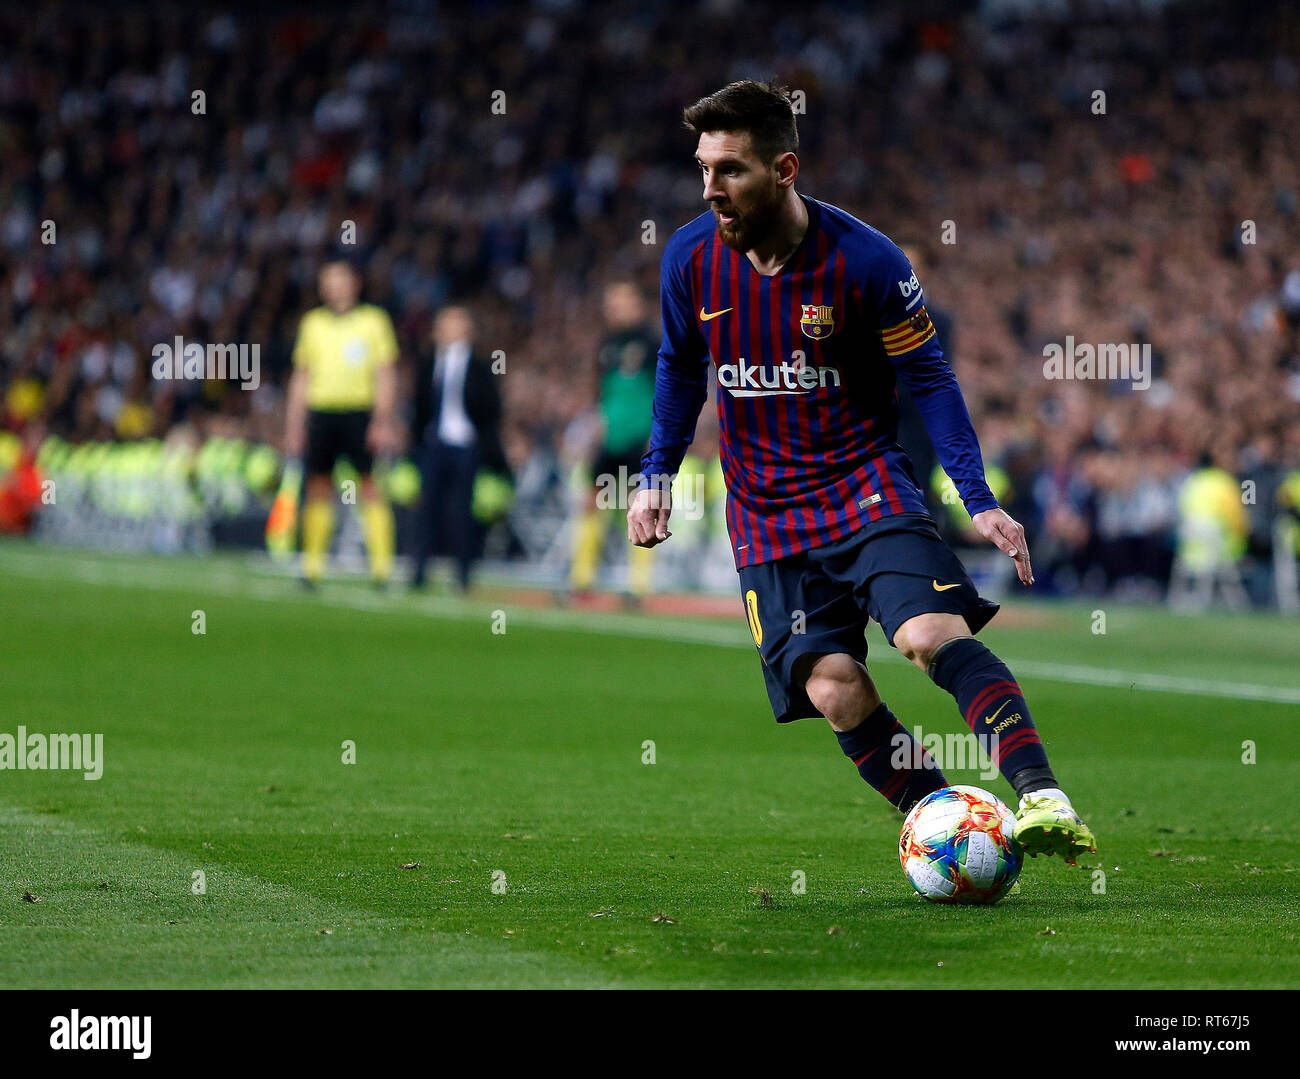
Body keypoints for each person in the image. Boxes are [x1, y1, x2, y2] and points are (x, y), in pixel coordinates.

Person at [627, 80, 1096, 864]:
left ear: (784, 169)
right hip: (765, 513)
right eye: (703, 170)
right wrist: (656, 474)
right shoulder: (690, 258)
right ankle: (942, 821)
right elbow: (680, 369)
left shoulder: (867, 261)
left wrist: (976, 497)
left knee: (927, 635)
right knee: (835, 686)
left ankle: (1042, 794)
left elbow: (931, 380)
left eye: (729, 172)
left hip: (862, 486)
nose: (710, 190)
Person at [284, 257, 399, 588]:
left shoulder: (374, 322)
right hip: (321, 413)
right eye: (327, 280)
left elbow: (385, 374)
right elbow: (301, 376)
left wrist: (382, 420)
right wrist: (295, 426)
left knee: (369, 486)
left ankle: (382, 569)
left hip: (359, 413)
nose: (333, 286)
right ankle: (312, 567)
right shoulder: (312, 323)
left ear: (355, 283)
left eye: (339, 279)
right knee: (318, 487)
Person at [567, 281, 659, 604]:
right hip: (609, 438)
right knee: (591, 505)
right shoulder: (607, 343)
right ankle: (581, 581)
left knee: (639, 508)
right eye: (612, 301)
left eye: (621, 300)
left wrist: (656, 437)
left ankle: (638, 587)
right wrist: (594, 428)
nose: (615, 307)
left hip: (639, 437)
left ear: (638, 303)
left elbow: (664, 390)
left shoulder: (651, 342)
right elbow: (601, 392)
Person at [410, 305, 506, 593]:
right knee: (427, 509)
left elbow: (491, 409)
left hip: (466, 446)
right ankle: (419, 571)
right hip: (434, 445)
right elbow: (418, 407)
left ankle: (463, 574)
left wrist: (484, 445)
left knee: (462, 512)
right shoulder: (428, 363)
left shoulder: (481, 365)